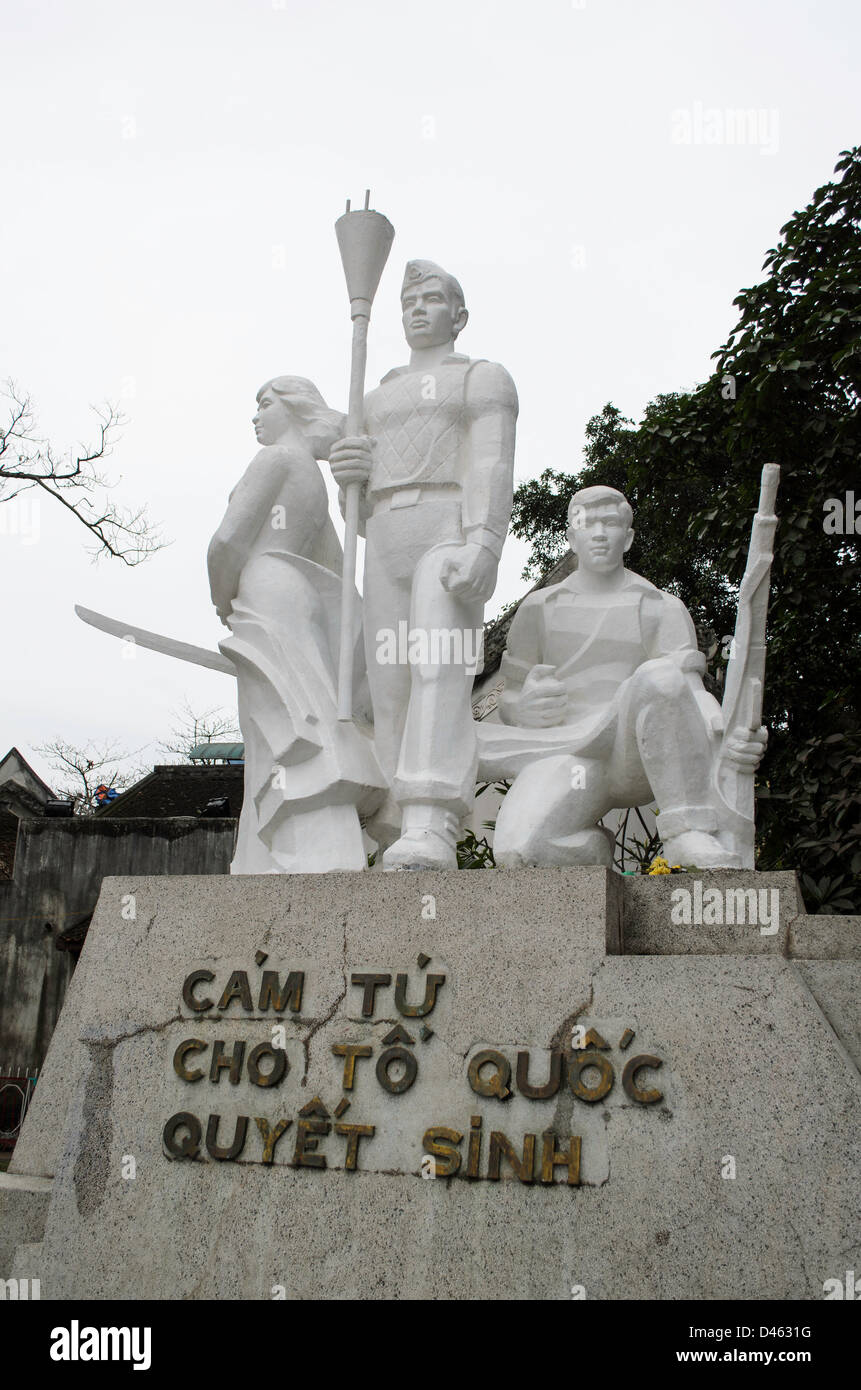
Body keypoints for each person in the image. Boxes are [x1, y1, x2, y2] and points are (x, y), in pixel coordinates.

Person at [329, 260, 518, 869]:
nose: (418, 309)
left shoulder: (482, 379)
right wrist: (349, 477)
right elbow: (354, 509)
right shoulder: (374, 397)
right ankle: (390, 819)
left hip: (446, 524)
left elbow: (491, 464)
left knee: (440, 669)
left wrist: (485, 542)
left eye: (432, 299)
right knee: (390, 684)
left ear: (458, 316)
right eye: (409, 300)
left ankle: (431, 815)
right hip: (385, 532)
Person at [478, 485, 767, 868]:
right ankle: (594, 852)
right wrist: (524, 708)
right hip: (567, 753)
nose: (599, 533)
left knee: (660, 676)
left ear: (628, 537)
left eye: (610, 524)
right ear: (570, 536)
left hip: (631, 755)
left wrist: (725, 731)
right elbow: (510, 697)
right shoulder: (540, 609)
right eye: (586, 523)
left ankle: (687, 831)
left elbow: (688, 693)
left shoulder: (660, 607)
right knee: (521, 852)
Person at [207, 376, 385, 873]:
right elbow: (335, 573)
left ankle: (283, 853)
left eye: (265, 402)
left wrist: (223, 596)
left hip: (264, 587)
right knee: (300, 712)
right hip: (298, 592)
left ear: (295, 408)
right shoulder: (314, 479)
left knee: (276, 723)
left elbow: (227, 541)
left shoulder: (277, 460)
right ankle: (287, 850)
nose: (256, 415)